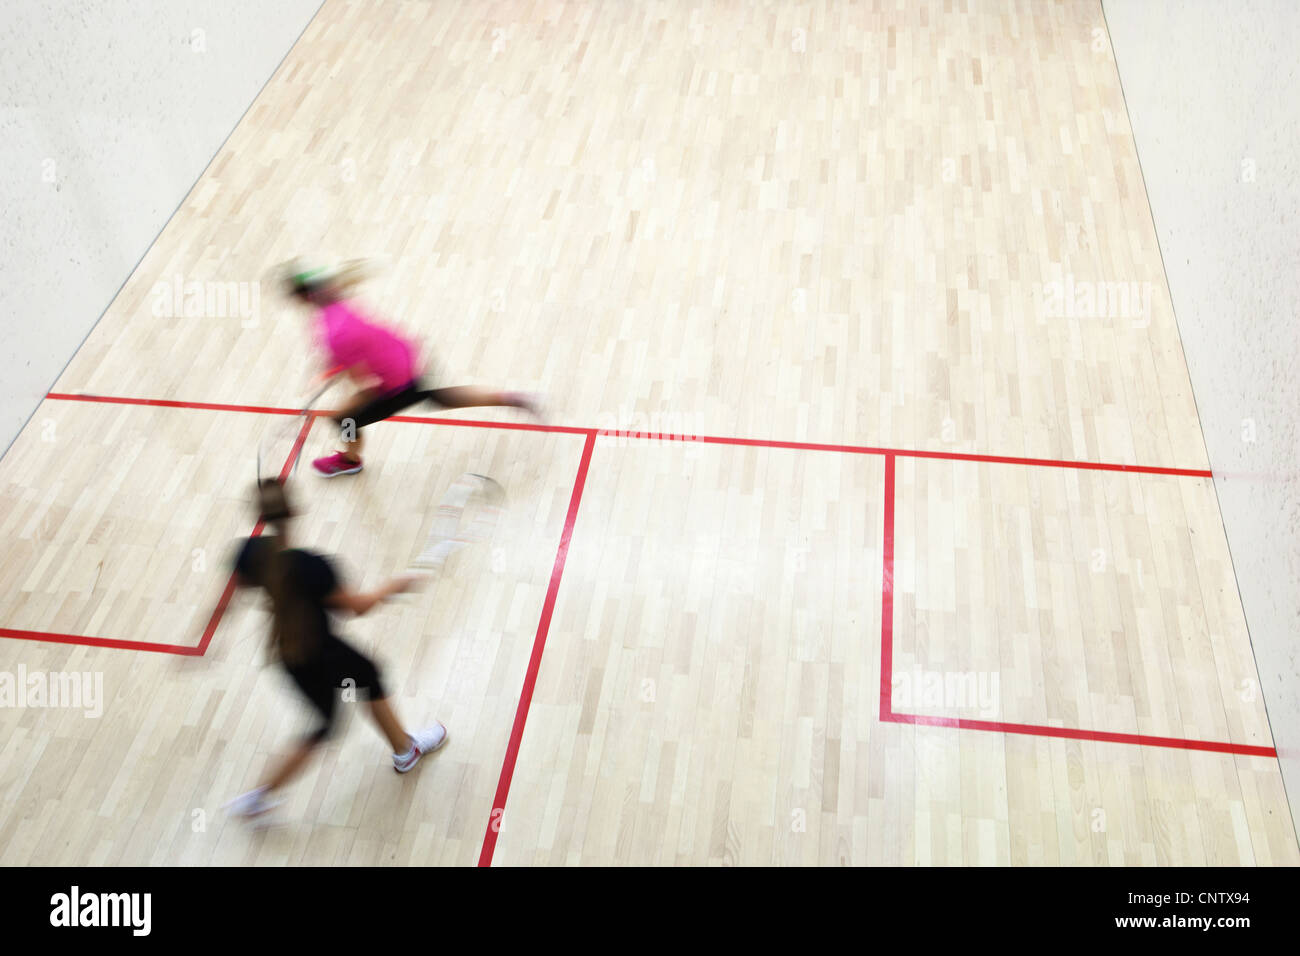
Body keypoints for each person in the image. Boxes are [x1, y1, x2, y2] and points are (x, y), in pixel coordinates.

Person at [224, 478, 445, 825]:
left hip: (287, 655)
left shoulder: (248, 554)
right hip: (321, 651)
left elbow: (236, 589)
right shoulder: (313, 566)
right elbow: (358, 607)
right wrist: (395, 586)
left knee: (364, 682)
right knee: (344, 706)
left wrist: (210, 628)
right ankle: (404, 750)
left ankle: (259, 799)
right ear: (294, 511)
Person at [285, 260, 539, 477]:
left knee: (345, 420)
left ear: (303, 299)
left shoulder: (333, 333)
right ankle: (509, 399)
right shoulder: (337, 301)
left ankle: (350, 462)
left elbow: (360, 380)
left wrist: (339, 384)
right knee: (439, 397)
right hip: (407, 353)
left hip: (396, 382)